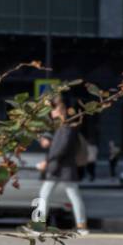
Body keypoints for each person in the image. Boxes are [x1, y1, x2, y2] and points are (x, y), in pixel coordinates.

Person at [34, 100, 88, 235]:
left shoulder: (67, 128)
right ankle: (81, 225)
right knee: (49, 195)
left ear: (62, 112)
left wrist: (46, 162)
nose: (52, 113)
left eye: (55, 111)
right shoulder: (63, 127)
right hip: (61, 169)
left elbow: (60, 149)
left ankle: (81, 226)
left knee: (69, 196)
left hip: (62, 168)